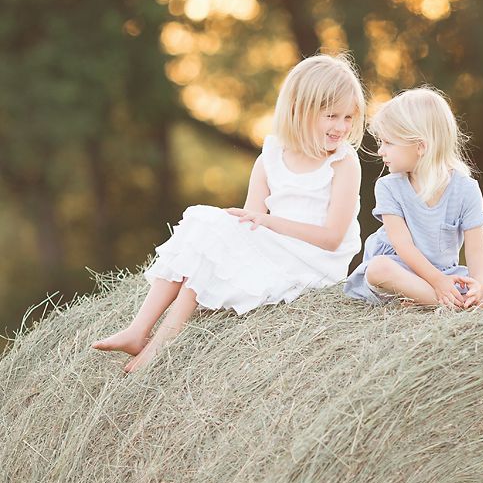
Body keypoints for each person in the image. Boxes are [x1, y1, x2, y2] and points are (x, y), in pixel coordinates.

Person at [93, 52, 364, 373]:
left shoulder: (343, 163)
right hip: (276, 249)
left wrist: (268, 222)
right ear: (299, 110)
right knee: (205, 223)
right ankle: (139, 329)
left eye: (349, 118)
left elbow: (332, 239)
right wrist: (242, 230)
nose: (341, 127)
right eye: (332, 116)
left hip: (313, 262)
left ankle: (163, 340)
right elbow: (247, 225)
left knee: (214, 232)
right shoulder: (271, 156)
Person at [345, 86, 483, 312]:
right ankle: (455, 304)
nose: (381, 151)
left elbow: (477, 249)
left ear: (420, 146)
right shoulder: (388, 186)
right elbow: (403, 245)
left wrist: (477, 283)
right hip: (403, 270)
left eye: (388, 143)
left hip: (446, 272)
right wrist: (437, 282)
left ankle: (440, 300)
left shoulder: (466, 189)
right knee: (378, 269)